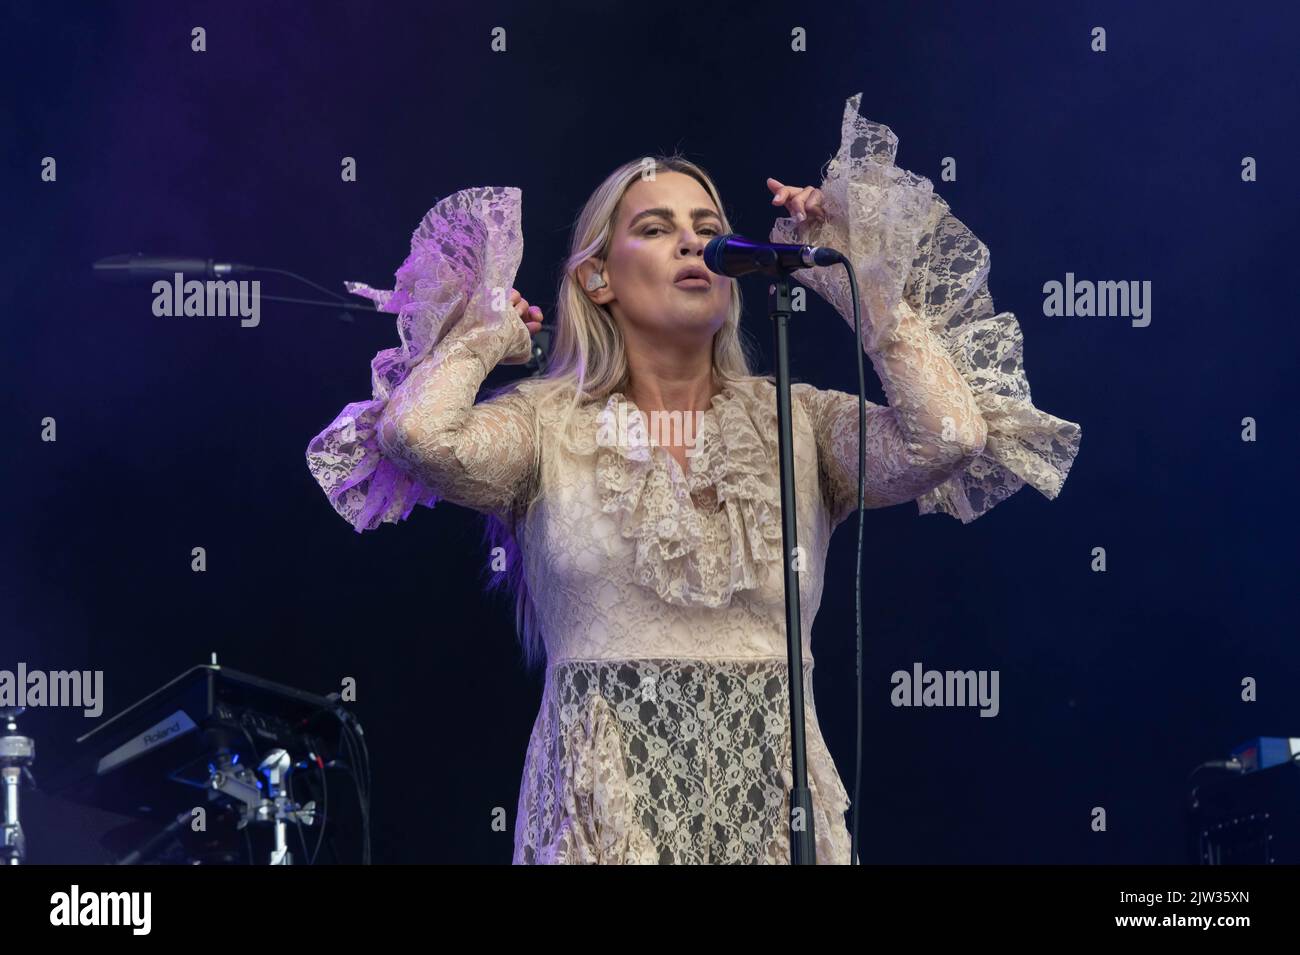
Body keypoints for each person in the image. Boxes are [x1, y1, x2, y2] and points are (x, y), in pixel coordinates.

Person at [306, 93, 1082, 864]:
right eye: (656, 228)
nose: (693, 243)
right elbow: (414, 434)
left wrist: (862, 282)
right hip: (603, 829)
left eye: (708, 230)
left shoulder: (797, 422)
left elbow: (950, 436)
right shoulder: (545, 425)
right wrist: (483, 335)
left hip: (775, 825)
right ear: (597, 279)